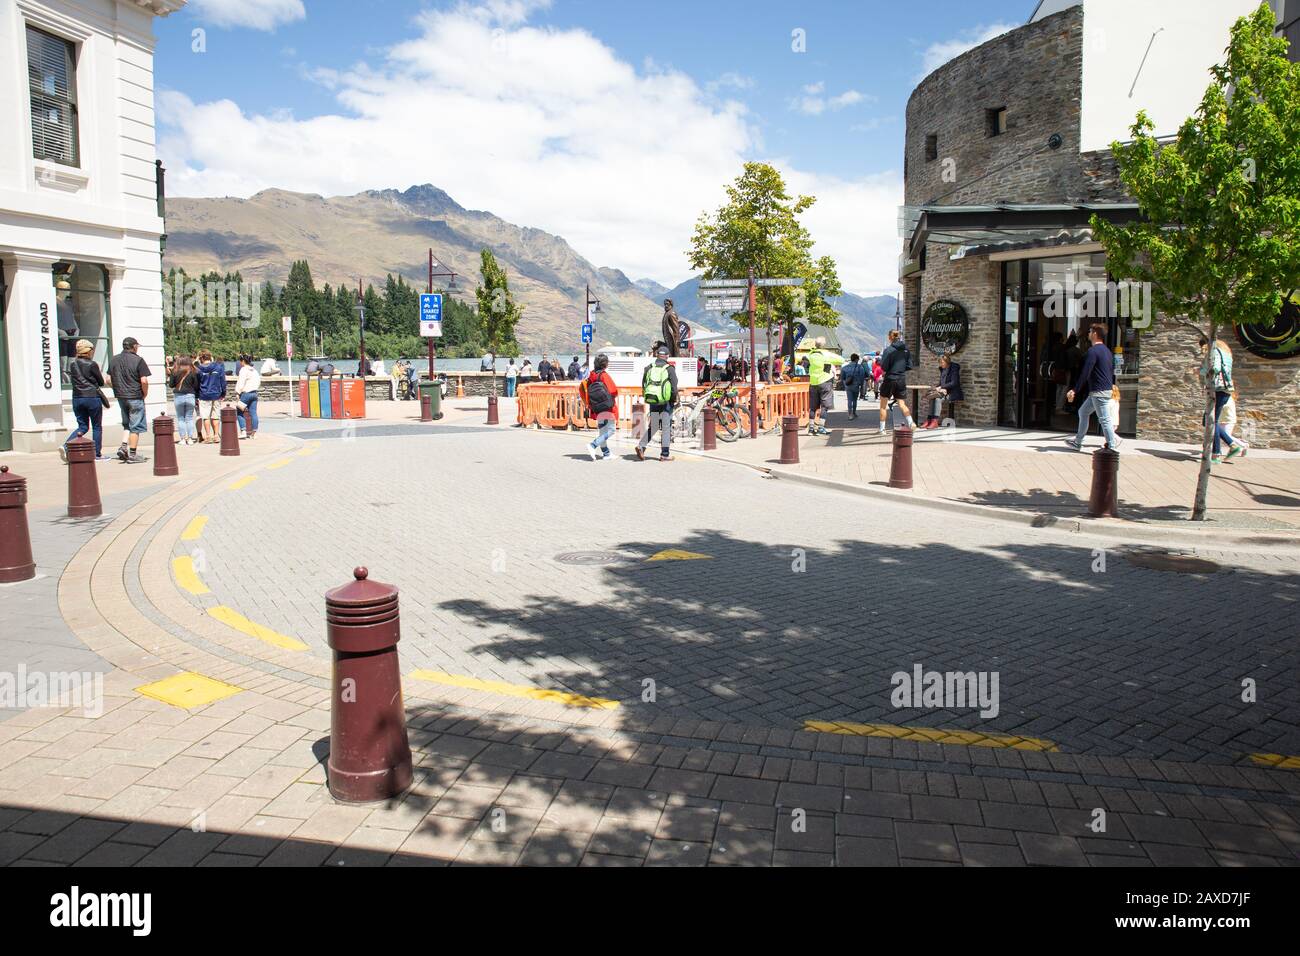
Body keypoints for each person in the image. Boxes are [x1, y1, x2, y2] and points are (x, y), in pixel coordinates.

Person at [1065, 323, 1120, 452]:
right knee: (1083, 412)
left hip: (1099, 391)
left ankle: (1112, 446)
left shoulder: (1093, 351)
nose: (1088, 334)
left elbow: (1086, 372)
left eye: (1090, 331)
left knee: (1104, 420)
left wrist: (1075, 389)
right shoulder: (1106, 351)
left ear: (1095, 334)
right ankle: (1078, 442)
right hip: (1102, 390)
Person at [105, 336, 150, 463]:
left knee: (127, 424)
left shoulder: (114, 359)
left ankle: (123, 446)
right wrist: (144, 393)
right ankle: (133, 454)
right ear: (134, 346)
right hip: (135, 396)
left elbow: (107, 379)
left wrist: (117, 389)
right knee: (135, 426)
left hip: (121, 397)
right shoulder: (138, 360)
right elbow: (144, 380)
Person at [62, 339, 106, 461]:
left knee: (83, 427)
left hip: (77, 398)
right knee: (97, 427)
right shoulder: (92, 364)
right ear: (88, 351)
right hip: (92, 397)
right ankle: (97, 454)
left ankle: (66, 446)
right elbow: (101, 382)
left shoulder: (73, 364)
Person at [1199, 337, 1239, 463]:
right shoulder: (1226, 353)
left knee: (1211, 420)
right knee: (1209, 420)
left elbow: (1214, 368)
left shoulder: (1214, 352)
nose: (1203, 350)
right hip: (1225, 389)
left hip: (1217, 389)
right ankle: (1230, 446)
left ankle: (1217, 453)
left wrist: (1201, 371)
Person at [636, 345, 677, 462]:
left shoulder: (649, 367)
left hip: (653, 400)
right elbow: (674, 387)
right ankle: (665, 454)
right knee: (665, 427)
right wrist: (673, 400)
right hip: (666, 402)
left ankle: (641, 446)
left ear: (657, 355)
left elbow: (644, 384)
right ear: (667, 356)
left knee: (653, 425)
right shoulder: (670, 369)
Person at [580, 353, 619, 460]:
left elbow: (583, 389)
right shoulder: (604, 375)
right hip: (607, 407)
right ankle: (593, 445)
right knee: (611, 430)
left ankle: (606, 453)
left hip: (597, 408)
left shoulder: (591, 376)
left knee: (603, 430)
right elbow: (613, 390)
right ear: (605, 364)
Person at [877, 330, 916, 433]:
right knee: (902, 404)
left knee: (883, 405)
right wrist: (900, 369)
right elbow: (909, 365)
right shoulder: (906, 350)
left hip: (890, 378)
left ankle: (882, 429)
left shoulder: (888, 350)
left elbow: (884, 366)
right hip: (901, 378)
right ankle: (911, 422)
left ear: (890, 337)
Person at [805, 338, 844, 436]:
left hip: (813, 382)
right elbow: (841, 360)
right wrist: (829, 363)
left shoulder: (811, 354)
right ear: (824, 345)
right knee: (825, 406)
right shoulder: (827, 354)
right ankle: (821, 428)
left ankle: (811, 429)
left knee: (813, 407)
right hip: (825, 381)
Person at [920, 354, 963, 428]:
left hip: (952, 392)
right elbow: (941, 383)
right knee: (933, 398)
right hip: (943, 392)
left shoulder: (953, 369)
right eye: (940, 362)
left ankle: (935, 421)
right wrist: (938, 387)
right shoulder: (942, 369)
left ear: (947, 362)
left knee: (937, 399)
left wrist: (942, 387)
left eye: (942, 362)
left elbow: (954, 383)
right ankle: (929, 420)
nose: (941, 364)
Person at [195, 350, 226, 443]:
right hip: (216, 394)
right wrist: (223, 393)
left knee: (206, 416)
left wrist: (196, 396)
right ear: (210, 357)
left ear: (201, 358)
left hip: (204, 394)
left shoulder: (199, 369)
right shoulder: (218, 367)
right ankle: (216, 436)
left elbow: (196, 384)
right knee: (215, 416)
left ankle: (208, 436)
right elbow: (223, 382)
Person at [169, 355, 199, 445]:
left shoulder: (175, 372)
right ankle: (190, 439)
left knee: (181, 418)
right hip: (190, 396)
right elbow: (196, 385)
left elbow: (171, 385)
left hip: (178, 396)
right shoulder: (193, 372)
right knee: (189, 418)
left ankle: (182, 439)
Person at [1216, 389, 1249, 461]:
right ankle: (1217, 451)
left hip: (1228, 420)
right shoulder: (1228, 397)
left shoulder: (1227, 398)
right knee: (1219, 435)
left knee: (1227, 436)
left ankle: (1243, 445)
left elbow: (1223, 406)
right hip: (1224, 420)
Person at [235, 354, 261, 439]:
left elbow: (241, 382)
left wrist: (238, 392)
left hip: (246, 394)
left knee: (239, 411)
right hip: (254, 393)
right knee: (253, 413)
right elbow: (258, 382)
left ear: (243, 361)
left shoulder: (243, 370)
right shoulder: (254, 370)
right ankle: (254, 433)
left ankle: (243, 431)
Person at [840, 353, 867, 420]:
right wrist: (860, 384)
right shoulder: (860, 367)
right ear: (857, 359)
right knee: (854, 400)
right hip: (856, 385)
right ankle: (854, 412)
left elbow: (842, 378)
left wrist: (845, 384)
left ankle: (850, 414)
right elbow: (862, 376)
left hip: (848, 385)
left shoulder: (845, 367)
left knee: (849, 400)